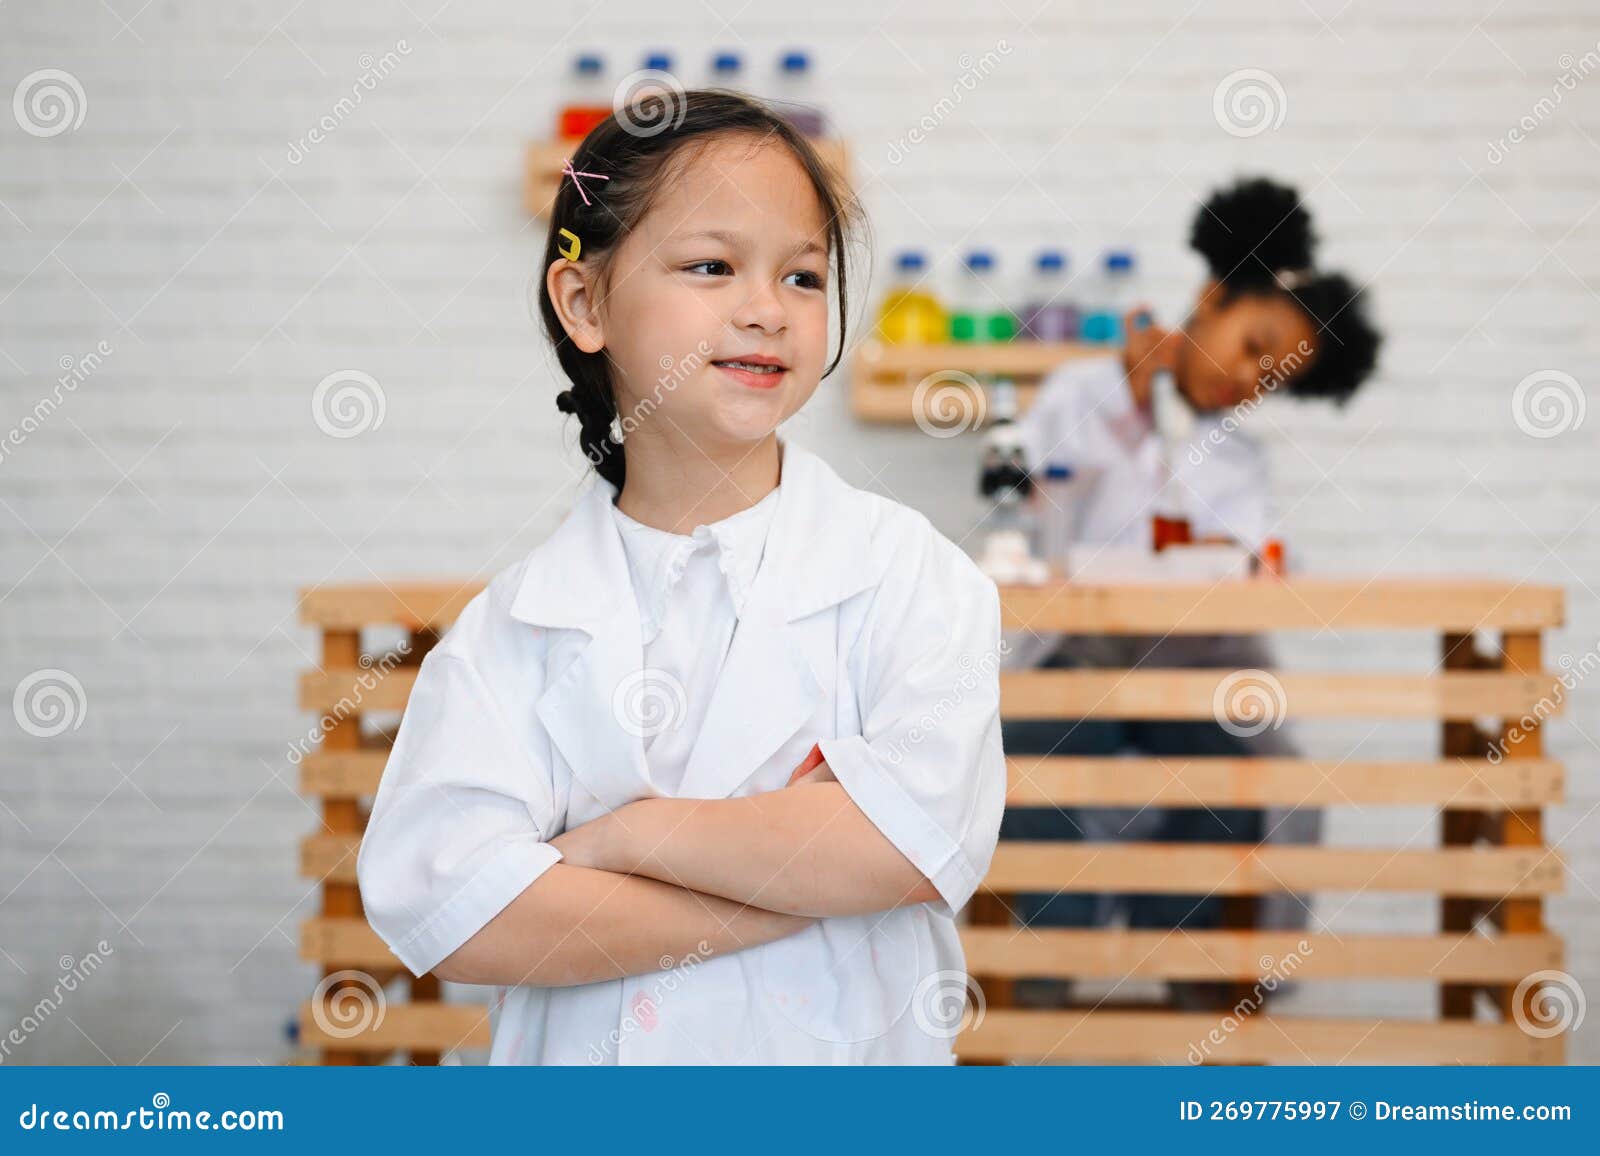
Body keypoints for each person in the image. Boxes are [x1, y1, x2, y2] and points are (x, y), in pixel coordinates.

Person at [356, 90, 1006, 1065]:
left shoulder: (907, 576)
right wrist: (788, 875)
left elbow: (904, 846)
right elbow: (454, 907)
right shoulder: (515, 626)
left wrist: (624, 838)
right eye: (711, 265)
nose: (765, 310)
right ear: (584, 303)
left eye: (801, 275)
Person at [1002, 177, 1384, 1007]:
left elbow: (1254, 564)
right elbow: (1030, 499)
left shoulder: (1237, 460)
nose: (1249, 381)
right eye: (1253, 345)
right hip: (1082, 662)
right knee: (1024, 768)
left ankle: (1191, 992)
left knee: (1235, 788)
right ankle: (1038, 992)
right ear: (1211, 299)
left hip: (1196, 679)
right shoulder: (1084, 394)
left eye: (1271, 378)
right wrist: (1126, 411)